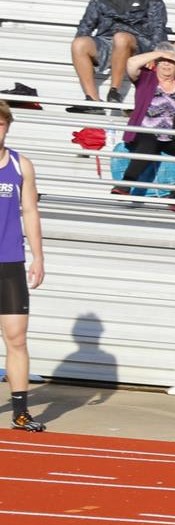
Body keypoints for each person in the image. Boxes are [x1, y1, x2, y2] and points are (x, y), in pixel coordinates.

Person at [0, 105, 48, 432]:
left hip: (9, 262)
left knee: (16, 337)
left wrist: (38, 256)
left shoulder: (21, 165)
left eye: (1, 124)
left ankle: (20, 411)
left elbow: (29, 211)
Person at [117, 49, 175, 199]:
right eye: (163, 61)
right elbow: (131, 63)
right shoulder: (146, 78)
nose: (167, 64)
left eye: (171, 62)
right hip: (145, 133)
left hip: (172, 137)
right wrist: (160, 53)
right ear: (156, 63)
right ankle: (125, 184)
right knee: (149, 139)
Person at [71, 0, 172, 113]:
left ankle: (114, 91)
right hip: (106, 41)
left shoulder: (152, 2)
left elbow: (158, 28)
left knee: (121, 38)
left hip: (138, 42)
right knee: (78, 44)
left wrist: (154, 54)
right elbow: (86, 25)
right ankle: (92, 100)